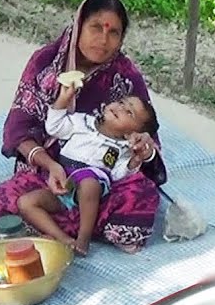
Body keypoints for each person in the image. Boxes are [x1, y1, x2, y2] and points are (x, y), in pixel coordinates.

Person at [0, 0, 167, 254]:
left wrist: (144, 150)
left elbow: (148, 142)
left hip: (104, 182)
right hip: (47, 176)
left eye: (113, 33)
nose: (103, 40)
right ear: (79, 25)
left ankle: (61, 228)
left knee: (144, 198)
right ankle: (72, 228)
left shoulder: (126, 76)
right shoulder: (45, 62)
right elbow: (18, 128)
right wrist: (50, 165)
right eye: (95, 27)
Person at [19, 82, 158, 255]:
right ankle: (64, 239)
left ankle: (83, 239)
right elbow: (54, 127)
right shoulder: (82, 121)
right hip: (64, 182)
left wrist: (135, 160)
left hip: (92, 182)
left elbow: (118, 174)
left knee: (89, 183)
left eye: (129, 113)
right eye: (122, 102)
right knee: (26, 203)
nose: (120, 108)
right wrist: (63, 100)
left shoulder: (122, 147)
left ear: (132, 133)